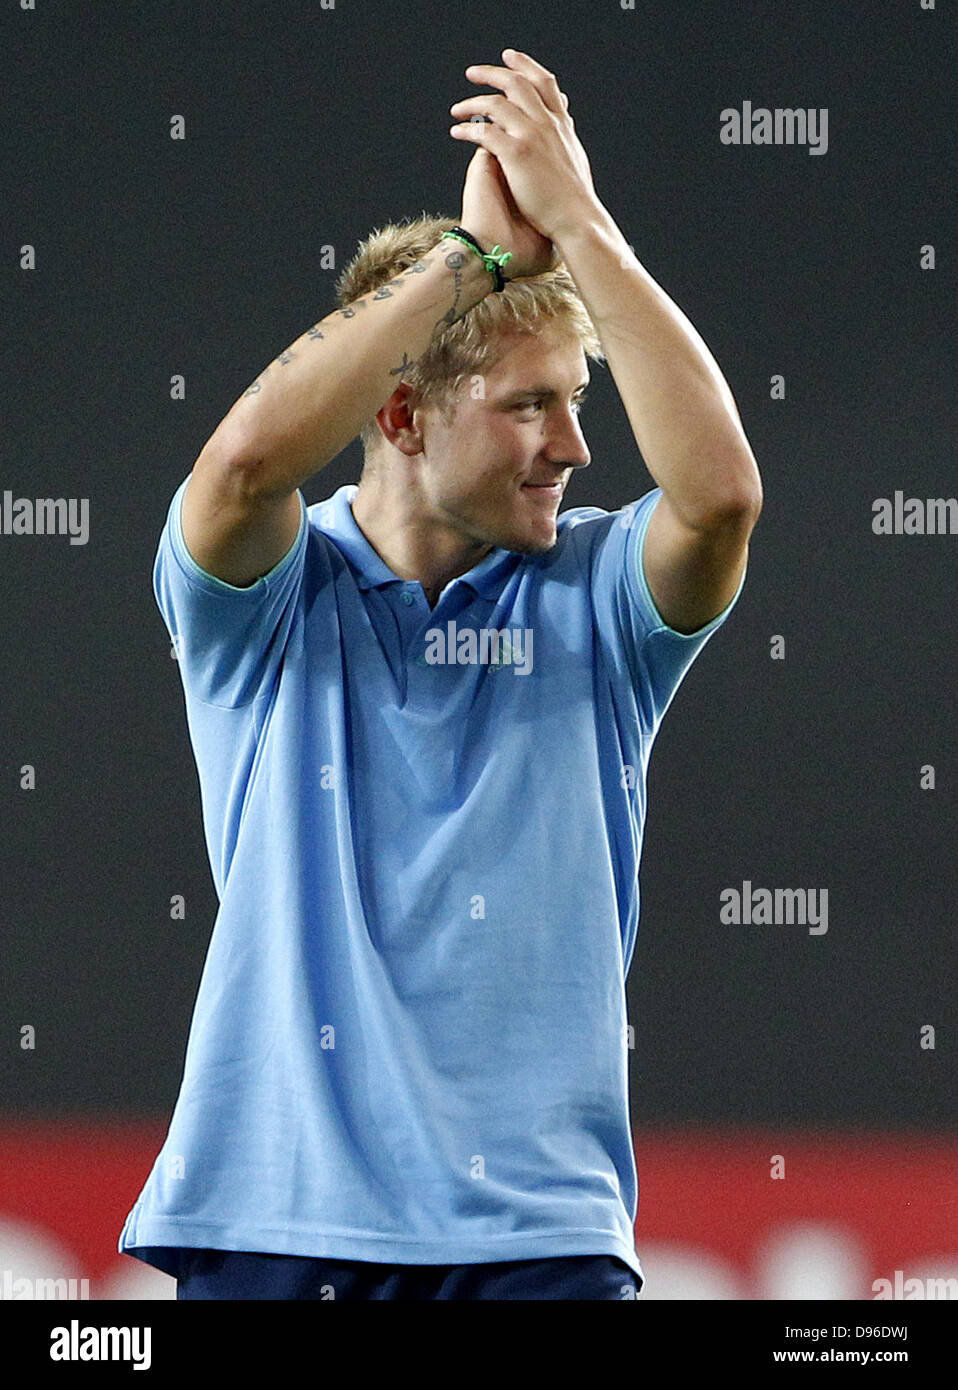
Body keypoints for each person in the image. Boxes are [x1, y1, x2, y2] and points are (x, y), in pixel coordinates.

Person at [118, 48, 762, 1300]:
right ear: (403, 418)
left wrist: (574, 221)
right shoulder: (269, 595)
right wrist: (463, 264)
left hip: (538, 1245)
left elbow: (722, 494)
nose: (575, 446)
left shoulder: (600, 595)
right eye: (531, 407)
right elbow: (245, 466)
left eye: (577, 401)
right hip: (273, 1224)